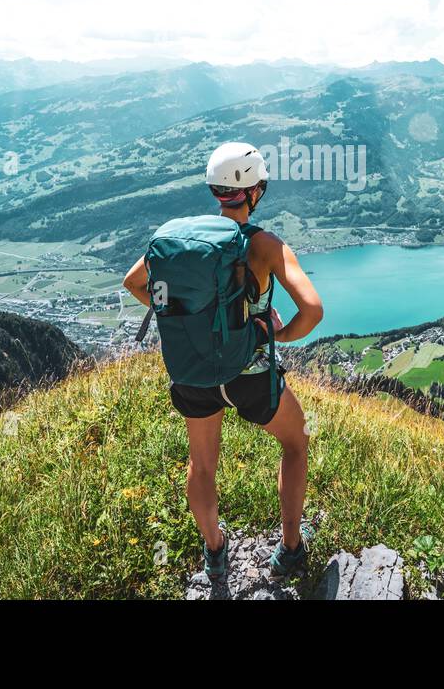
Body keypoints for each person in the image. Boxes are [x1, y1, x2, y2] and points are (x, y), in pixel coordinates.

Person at [122, 142, 324, 580]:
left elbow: (134, 281)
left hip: (193, 372)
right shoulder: (265, 245)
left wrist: (182, 317)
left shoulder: (180, 242)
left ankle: (215, 550)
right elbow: (312, 311)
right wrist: (275, 334)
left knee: (202, 464)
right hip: (248, 371)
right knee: (295, 441)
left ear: (216, 189)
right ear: (257, 190)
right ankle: (290, 548)